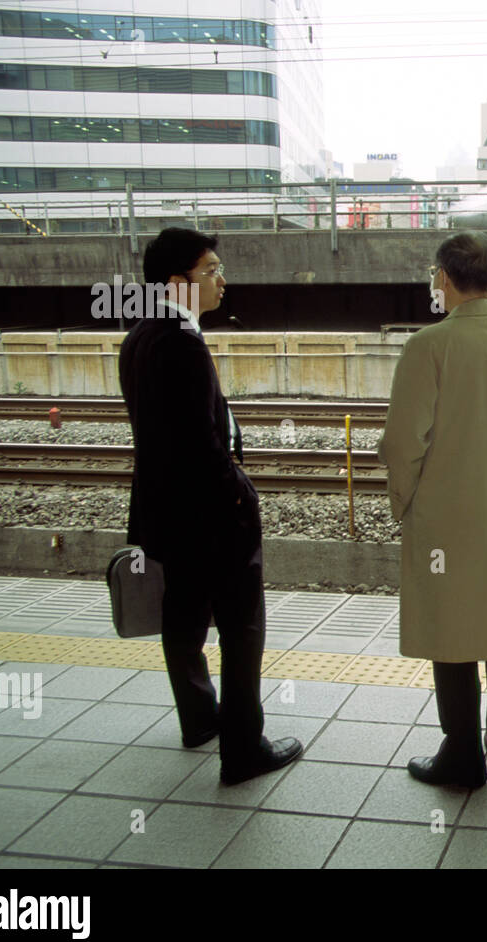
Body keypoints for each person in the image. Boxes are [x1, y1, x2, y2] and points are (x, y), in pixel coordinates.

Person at [118, 227, 302, 786]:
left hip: (164, 515)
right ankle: (244, 747)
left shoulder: (139, 338)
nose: (223, 279)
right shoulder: (183, 344)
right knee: (242, 627)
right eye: (212, 270)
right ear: (178, 282)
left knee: (184, 619)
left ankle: (200, 719)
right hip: (212, 520)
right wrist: (241, 496)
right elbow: (202, 448)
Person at [379, 231, 487, 788]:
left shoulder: (428, 346)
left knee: (452, 631)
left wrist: (402, 501)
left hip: (446, 514)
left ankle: (462, 755)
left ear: (443, 280)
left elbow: (404, 441)